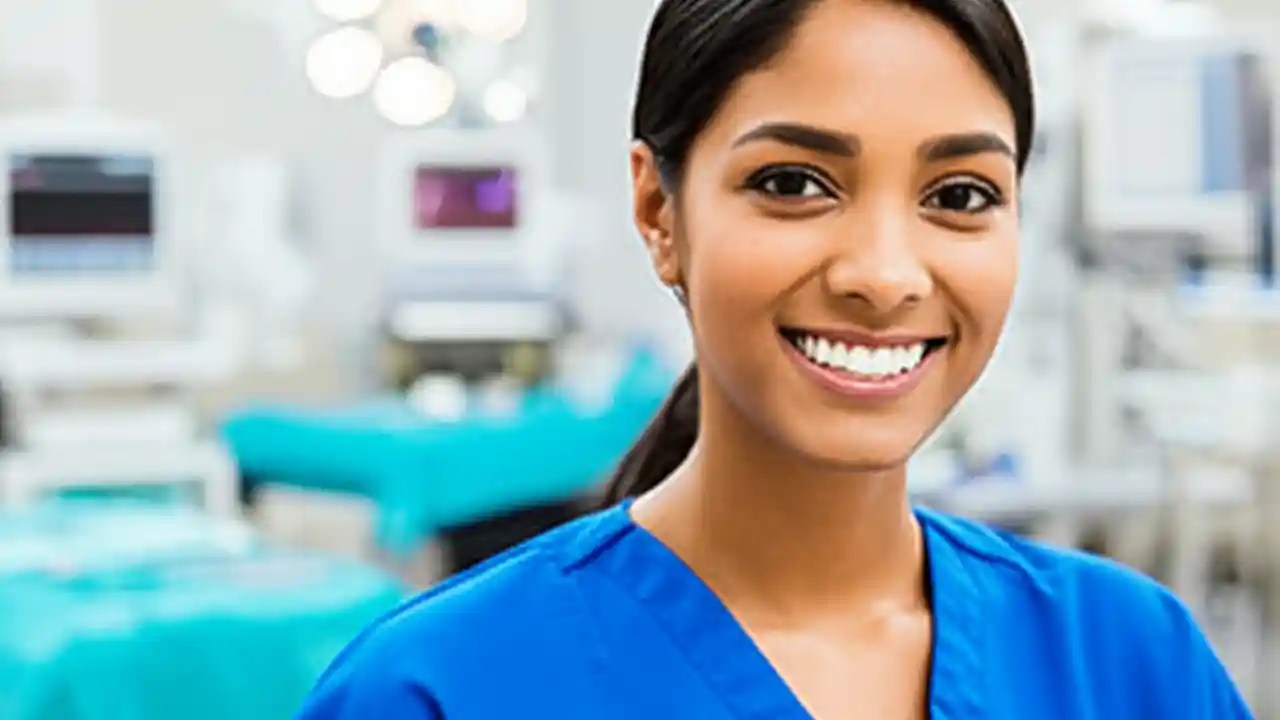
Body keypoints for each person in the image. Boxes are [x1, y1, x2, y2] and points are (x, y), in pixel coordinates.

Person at [298, 0, 1255, 717]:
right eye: (794, 183)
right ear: (658, 212)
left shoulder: (1129, 662)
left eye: (960, 195)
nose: (884, 276)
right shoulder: (441, 688)